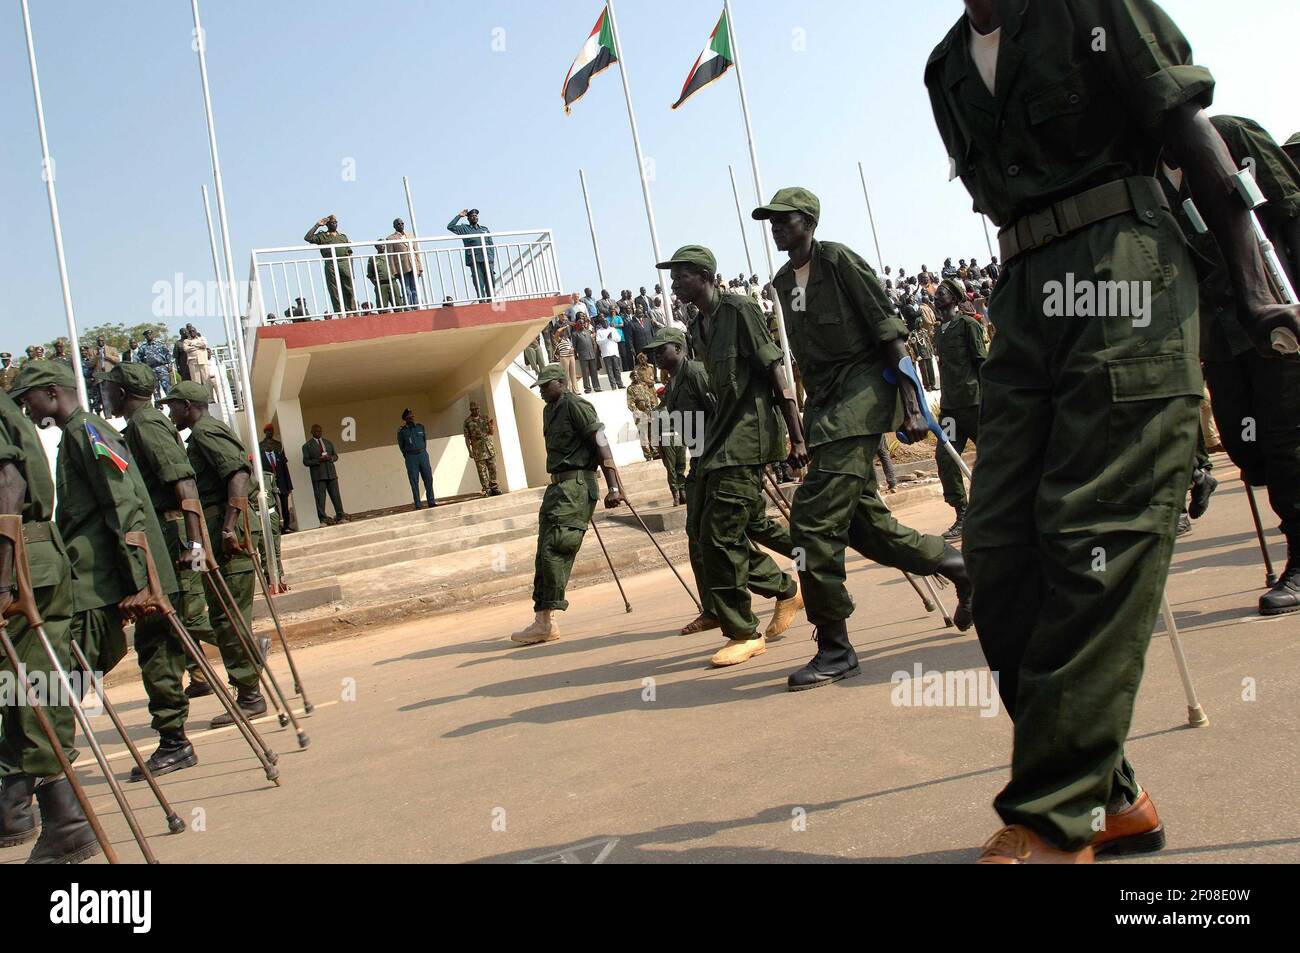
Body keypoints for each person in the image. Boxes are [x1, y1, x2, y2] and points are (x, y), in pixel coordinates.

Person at [925, 0, 1300, 864]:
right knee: (1000, 560)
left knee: (1097, 530)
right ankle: (1111, 795)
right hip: (1023, 296)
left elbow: (1185, 124)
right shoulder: (943, 68)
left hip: (1122, 268)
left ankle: (1053, 819)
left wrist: (1254, 281)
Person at [755, 187, 972, 692]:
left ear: (808, 221)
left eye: (784, 219)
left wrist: (915, 403)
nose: (776, 227)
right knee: (863, 525)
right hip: (827, 405)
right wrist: (800, 428)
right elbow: (805, 357)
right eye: (771, 221)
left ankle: (836, 647)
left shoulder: (839, 260)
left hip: (864, 393)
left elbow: (887, 330)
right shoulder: (784, 282)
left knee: (811, 522)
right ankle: (960, 565)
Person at [11, 361, 188, 784]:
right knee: (65, 675)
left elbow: (121, 503)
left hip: (97, 580)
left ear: (52, 393)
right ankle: (41, 774)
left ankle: (43, 777)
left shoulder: (86, 431)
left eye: (28, 400)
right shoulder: (76, 434)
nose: (27, 411)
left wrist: (142, 582)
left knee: (62, 676)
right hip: (96, 576)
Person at [1162, 114, 1300, 612]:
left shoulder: (1231, 136)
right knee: (1248, 449)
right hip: (1217, 334)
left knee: (1286, 441)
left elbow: (1290, 211)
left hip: (1273, 312)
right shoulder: (1148, 178)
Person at [660, 245, 806, 667]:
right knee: (708, 537)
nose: (674, 284)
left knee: (722, 535)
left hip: (748, 440)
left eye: (681, 275)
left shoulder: (739, 310)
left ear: (705, 274)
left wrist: (796, 437)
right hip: (718, 445)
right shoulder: (700, 327)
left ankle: (745, 632)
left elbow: (775, 370)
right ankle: (786, 589)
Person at [0, 381, 96, 863]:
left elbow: (8, 482)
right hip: (31, 556)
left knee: (24, 687)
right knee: (27, 686)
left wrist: (2, 575)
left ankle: (55, 817)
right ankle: (34, 813)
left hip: (20, 561)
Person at [99, 360, 218, 719]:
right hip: (169, 532)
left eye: (107, 389)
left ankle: (238, 648)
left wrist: (195, 545)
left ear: (121, 392)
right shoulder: (139, 425)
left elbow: (184, 482)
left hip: (172, 532)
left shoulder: (147, 424)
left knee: (178, 613)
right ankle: (209, 668)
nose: (103, 395)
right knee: (176, 615)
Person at [161, 381, 268, 728]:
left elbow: (238, 474)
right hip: (218, 533)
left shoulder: (206, 432)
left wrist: (227, 527)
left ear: (189, 406)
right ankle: (249, 673)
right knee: (226, 616)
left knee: (228, 616)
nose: (170, 412)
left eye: (173, 406)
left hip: (227, 536)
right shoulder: (202, 432)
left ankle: (250, 696)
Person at [509, 364, 622, 645]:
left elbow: (600, 441)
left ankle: (546, 620)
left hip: (575, 486)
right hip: (557, 486)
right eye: (542, 387)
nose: (544, 391)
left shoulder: (576, 405)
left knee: (555, 548)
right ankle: (542, 619)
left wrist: (615, 486)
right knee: (543, 551)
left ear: (562, 382)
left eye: (548, 385)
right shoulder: (550, 409)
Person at [932, 277, 987, 539]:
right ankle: (962, 514)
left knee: (993, 456)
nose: (937, 296)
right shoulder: (937, 332)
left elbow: (981, 363)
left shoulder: (968, 325)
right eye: (936, 293)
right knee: (945, 457)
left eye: (942, 293)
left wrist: (990, 398)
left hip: (974, 402)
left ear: (954, 298)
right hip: (951, 408)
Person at [305, 215, 356, 316]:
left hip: (344, 262)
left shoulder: (343, 236)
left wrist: (351, 269)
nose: (334, 224)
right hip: (331, 263)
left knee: (348, 287)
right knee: (334, 289)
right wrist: (317, 225)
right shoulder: (323, 236)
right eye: (332, 223)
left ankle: (351, 311)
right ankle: (340, 312)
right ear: (327, 224)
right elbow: (308, 238)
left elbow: (349, 253)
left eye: (336, 222)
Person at [447, 208, 496, 301]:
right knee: (478, 281)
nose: (474, 217)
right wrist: (459, 216)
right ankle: (481, 300)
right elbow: (450, 227)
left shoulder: (484, 229)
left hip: (487, 259)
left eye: (475, 216)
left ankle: (490, 299)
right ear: (468, 218)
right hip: (474, 259)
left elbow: (490, 244)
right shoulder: (464, 228)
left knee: (490, 280)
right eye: (472, 216)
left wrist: (491, 260)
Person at [303, 424, 346, 524]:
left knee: (336, 496)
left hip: (331, 473)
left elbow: (335, 456)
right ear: (312, 432)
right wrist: (318, 460)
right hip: (318, 476)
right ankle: (322, 519)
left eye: (320, 431)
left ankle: (340, 516)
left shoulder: (328, 443)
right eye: (316, 431)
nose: (318, 433)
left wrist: (330, 458)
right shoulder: (307, 446)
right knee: (320, 499)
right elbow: (305, 461)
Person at [397, 409, 436, 510]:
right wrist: (409, 455)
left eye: (412, 416)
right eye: (409, 417)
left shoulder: (420, 427)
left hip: (422, 454)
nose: (411, 418)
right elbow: (402, 447)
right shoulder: (402, 431)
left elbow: (424, 441)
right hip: (411, 457)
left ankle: (431, 501)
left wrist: (421, 451)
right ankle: (418, 503)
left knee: (428, 477)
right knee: (414, 480)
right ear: (405, 419)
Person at [259, 424, 294, 533]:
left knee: (284, 505)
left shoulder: (278, 448)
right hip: (269, 485)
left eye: (272, 430)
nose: (270, 445)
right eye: (268, 430)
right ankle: (277, 528)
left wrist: (289, 486)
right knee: (273, 506)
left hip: (282, 484)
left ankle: (286, 526)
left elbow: (285, 469)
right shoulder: (260, 448)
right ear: (265, 432)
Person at [463, 401, 501, 497]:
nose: (476, 410)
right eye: (474, 409)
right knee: (482, 471)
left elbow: (491, 433)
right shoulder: (467, 422)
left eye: (477, 408)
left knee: (493, 468)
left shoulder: (485, 418)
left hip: (488, 447)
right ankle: (486, 489)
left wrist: (491, 426)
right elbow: (467, 438)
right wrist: (469, 451)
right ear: (471, 410)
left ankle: (494, 488)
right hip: (478, 450)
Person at [386, 218, 422, 308]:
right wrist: (393, 271)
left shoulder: (410, 236)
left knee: (415, 288)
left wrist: (420, 266)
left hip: (414, 265)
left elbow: (416, 251)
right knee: (406, 289)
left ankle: (417, 306)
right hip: (402, 267)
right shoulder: (390, 238)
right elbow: (390, 256)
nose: (401, 225)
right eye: (398, 224)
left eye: (402, 223)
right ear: (394, 226)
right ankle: (408, 307)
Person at [625, 371, 658, 461]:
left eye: (636, 375)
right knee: (643, 435)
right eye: (633, 376)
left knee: (652, 432)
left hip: (649, 412)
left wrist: (654, 406)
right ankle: (647, 454)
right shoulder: (630, 388)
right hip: (640, 414)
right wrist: (637, 412)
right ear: (631, 378)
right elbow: (630, 403)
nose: (635, 377)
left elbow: (650, 396)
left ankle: (655, 451)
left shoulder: (644, 385)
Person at [366, 241, 404, 311]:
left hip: (393, 283)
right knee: (382, 309)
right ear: (376, 247)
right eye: (380, 245)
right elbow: (370, 275)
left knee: (398, 306)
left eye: (383, 244)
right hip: (381, 285)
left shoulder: (390, 256)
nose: (382, 246)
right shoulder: (372, 258)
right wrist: (377, 285)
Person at [137, 329, 172, 400]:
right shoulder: (143, 347)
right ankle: (158, 406)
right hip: (150, 370)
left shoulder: (160, 344)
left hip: (162, 368)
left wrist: (170, 365)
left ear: (153, 335)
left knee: (167, 387)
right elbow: (139, 359)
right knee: (155, 389)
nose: (148, 336)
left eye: (150, 334)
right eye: (146, 335)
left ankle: (171, 403)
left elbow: (168, 355)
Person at [182, 324, 214, 396]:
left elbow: (204, 344)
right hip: (193, 363)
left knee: (206, 381)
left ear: (196, 331)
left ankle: (210, 398)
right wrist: (198, 346)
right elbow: (186, 349)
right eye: (190, 331)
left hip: (203, 361)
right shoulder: (186, 341)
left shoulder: (202, 338)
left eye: (193, 331)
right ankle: (199, 399)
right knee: (196, 382)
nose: (192, 332)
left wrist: (193, 345)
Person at [572, 317, 601, 394]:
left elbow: (592, 343)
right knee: (585, 373)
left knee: (594, 372)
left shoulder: (588, 332)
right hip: (583, 356)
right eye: (580, 323)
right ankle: (587, 388)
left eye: (583, 323)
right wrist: (576, 356)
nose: (582, 324)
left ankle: (597, 387)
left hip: (591, 355)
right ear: (578, 324)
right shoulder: (575, 334)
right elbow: (574, 347)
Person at [551, 320, 580, 394]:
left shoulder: (567, 339)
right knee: (566, 374)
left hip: (571, 356)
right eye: (563, 331)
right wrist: (565, 326)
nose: (564, 332)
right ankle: (567, 390)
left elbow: (571, 347)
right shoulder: (558, 339)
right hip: (564, 357)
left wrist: (572, 349)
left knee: (573, 374)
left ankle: (575, 390)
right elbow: (557, 331)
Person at [595, 317, 623, 389]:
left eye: (607, 322)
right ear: (601, 324)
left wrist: (611, 338)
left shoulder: (613, 329)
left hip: (614, 352)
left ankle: (620, 384)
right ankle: (613, 385)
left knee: (617, 369)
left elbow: (619, 339)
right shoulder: (599, 331)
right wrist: (606, 338)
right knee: (609, 370)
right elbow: (598, 342)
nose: (606, 323)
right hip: (606, 353)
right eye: (604, 322)